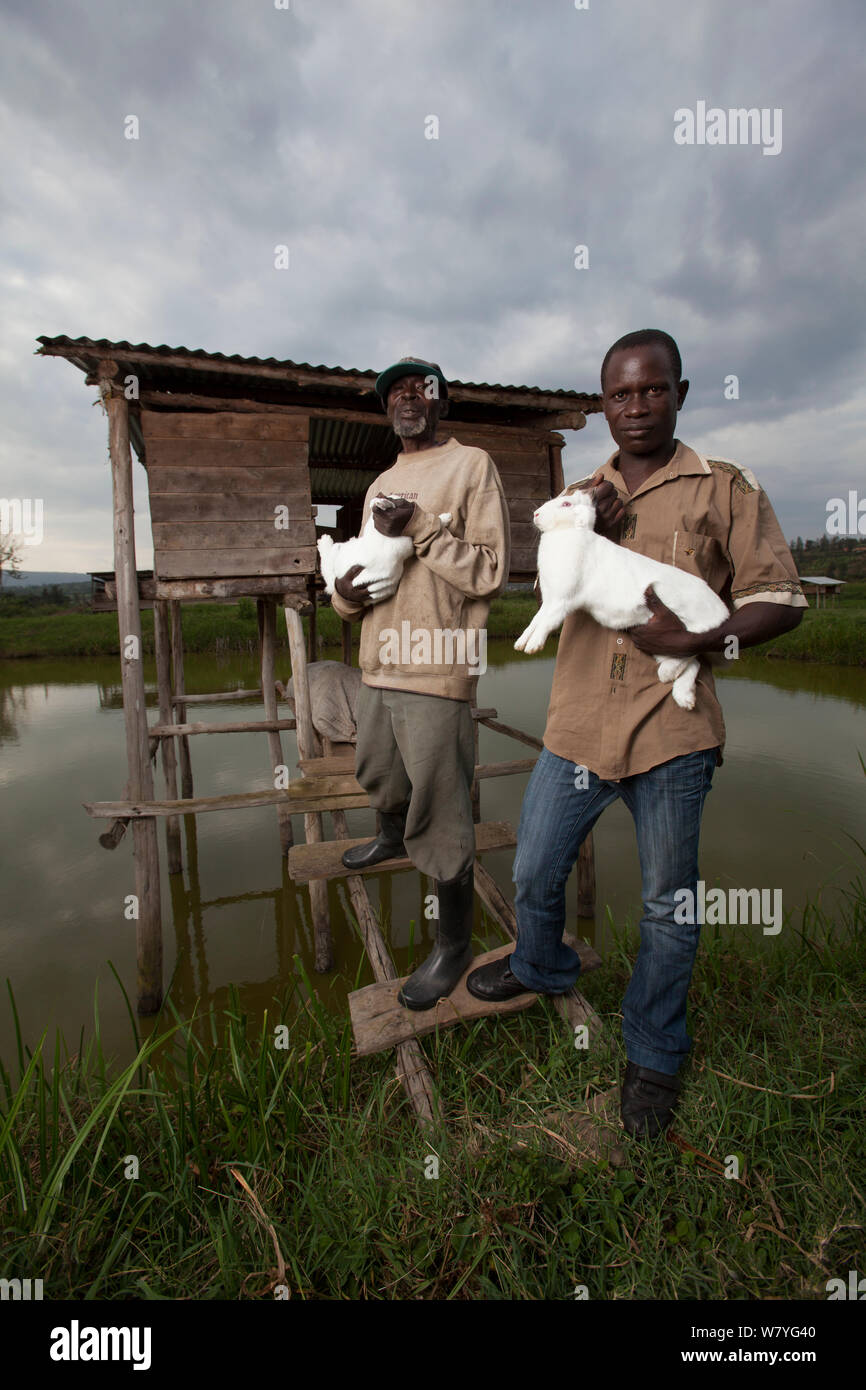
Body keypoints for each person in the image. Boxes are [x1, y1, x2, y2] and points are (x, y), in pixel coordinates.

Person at [466, 329, 807, 1138]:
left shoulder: (725, 489)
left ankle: (654, 1051)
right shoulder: (582, 497)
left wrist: (698, 642)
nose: (636, 406)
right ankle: (540, 966)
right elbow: (549, 587)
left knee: (668, 905)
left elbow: (782, 599)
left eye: (653, 390)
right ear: (603, 405)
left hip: (672, 733)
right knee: (535, 871)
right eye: (620, 394)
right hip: (578, 725)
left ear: (680, 394)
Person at [330, 356, 511, 1011]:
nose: (407, 399)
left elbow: (490, 572)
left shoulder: (472, 466)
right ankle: (387, 833)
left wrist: (422, 528)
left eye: (420, 390)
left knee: (440, 810)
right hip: (378, 658)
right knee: (379, 769)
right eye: (395, 393)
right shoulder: (383, 477)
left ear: (440, 402)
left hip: (437, 661)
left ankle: (452, 944)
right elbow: (363, 567)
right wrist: (344, 596)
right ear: (387, 410)